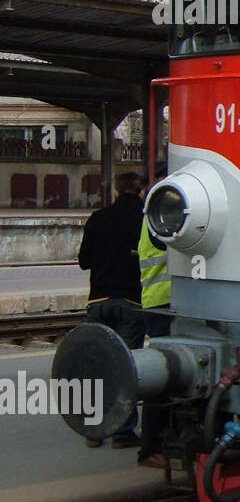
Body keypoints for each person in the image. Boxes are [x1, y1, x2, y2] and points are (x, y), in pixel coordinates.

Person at [77, 169, 145, 447]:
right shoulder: (144, 220)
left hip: (98, 301)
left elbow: (83, 261)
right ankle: (122, 432)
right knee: (126, 367)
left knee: (98, 364)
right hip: (131, 302)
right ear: (140, 193)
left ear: (116, 192)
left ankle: (93, 431)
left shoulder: (98, 218)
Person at [135, 164, 171, 469]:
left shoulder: (153, 211)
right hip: (164, 304)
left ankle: (158, 443)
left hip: (160, 304)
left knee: (166, 376)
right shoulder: (161, 213)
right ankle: (150, 447)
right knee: (164, 374)